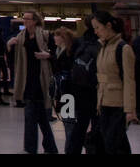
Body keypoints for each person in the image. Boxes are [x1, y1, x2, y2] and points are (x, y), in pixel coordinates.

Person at [11, 11, 57, 154]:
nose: (24, 21)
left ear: (35, 21)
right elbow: (14, 58)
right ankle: (47, 148)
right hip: (27, 79)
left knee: (35, 117)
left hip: (41, 79)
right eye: (23, 18)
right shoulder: (20, 37)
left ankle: (33, 148)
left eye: (27, 18)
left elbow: (56, 55)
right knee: (37, 117)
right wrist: (10, 45)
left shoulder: (45, 35)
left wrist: (47, 55)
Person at [92, 11, 136, 154]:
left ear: (108, 26)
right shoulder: (103, 48)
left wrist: (129, 109)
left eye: (98, 27)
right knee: (114, 144)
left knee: (113, 144)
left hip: (118, 105)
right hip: (104, 103)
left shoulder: (123, 48)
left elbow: (129, 80)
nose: (96, 31)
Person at [65, 19, 101, 155]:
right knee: (98, 124)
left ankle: (72, 151)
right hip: (96, 89)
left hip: (79, 90)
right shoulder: (101, 43)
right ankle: (94, 149)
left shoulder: (79, 42)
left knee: (80, 125)